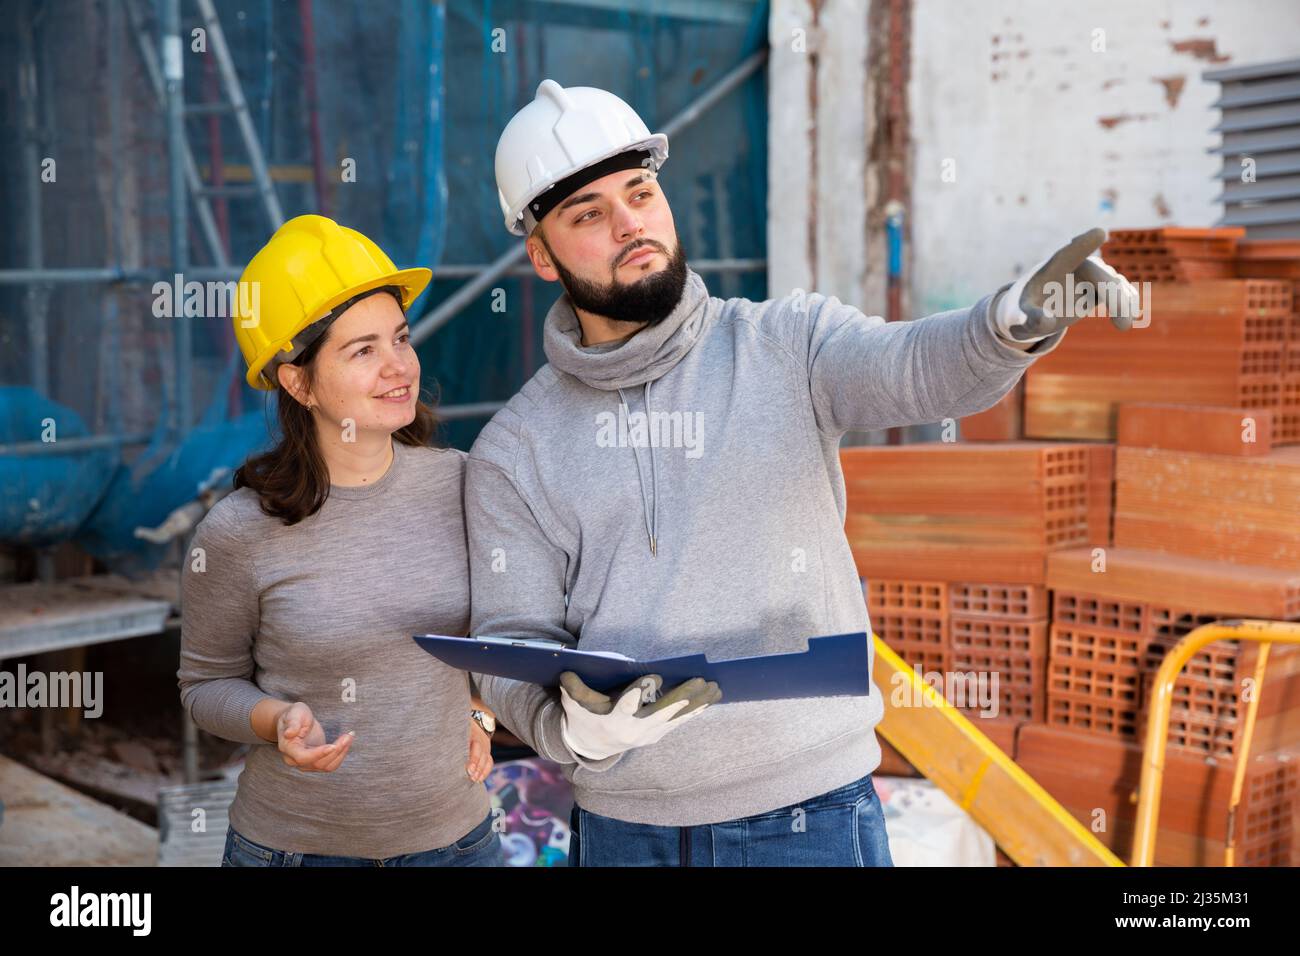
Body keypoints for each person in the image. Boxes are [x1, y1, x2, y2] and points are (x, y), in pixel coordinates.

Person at [464, 80, 1139, 867]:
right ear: (540, 255)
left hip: (808, 821)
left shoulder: (785, 345)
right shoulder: (515, 448)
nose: (629, 224)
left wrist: (1012, 320)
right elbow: (509, 639)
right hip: (624, 834)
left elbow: (916, 369)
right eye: (588, 214)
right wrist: (564, 727)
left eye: (641, 193)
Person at [178, 214, 503, 867]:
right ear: (298, 382)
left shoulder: (465, 485)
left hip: (458, 844)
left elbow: (502, 630)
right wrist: (276, 721)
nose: (399, 366)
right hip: (294, 851)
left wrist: (479, 710)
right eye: (363, 350)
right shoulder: (240, 531)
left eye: (400, 339)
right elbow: (204, 687)